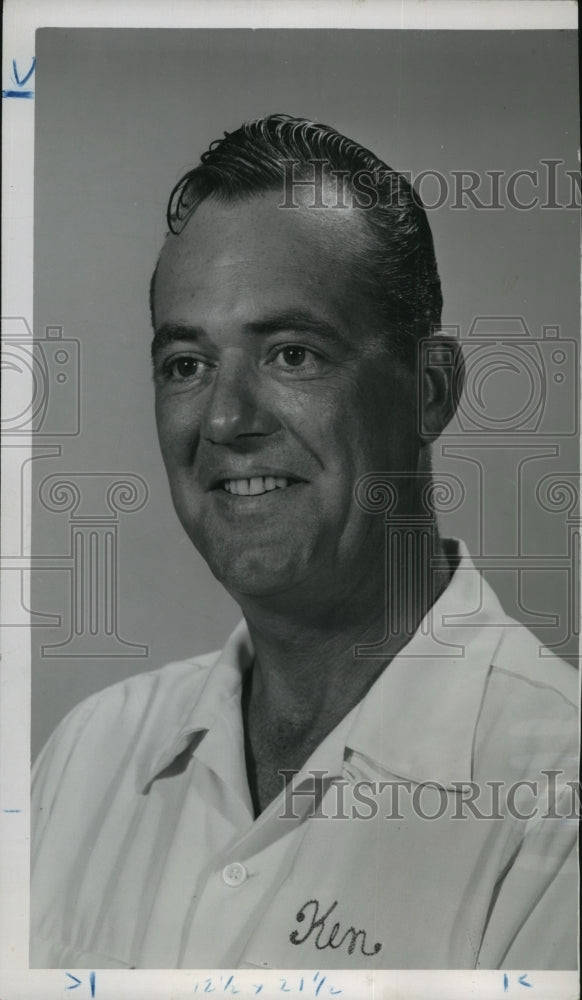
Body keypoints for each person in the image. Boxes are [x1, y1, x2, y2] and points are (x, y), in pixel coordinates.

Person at [31, 115, 578, 970]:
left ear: (430, 391)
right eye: (186, 363)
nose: (224, 419)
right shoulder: (82, 759)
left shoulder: (555, 797)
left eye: (291, 354)